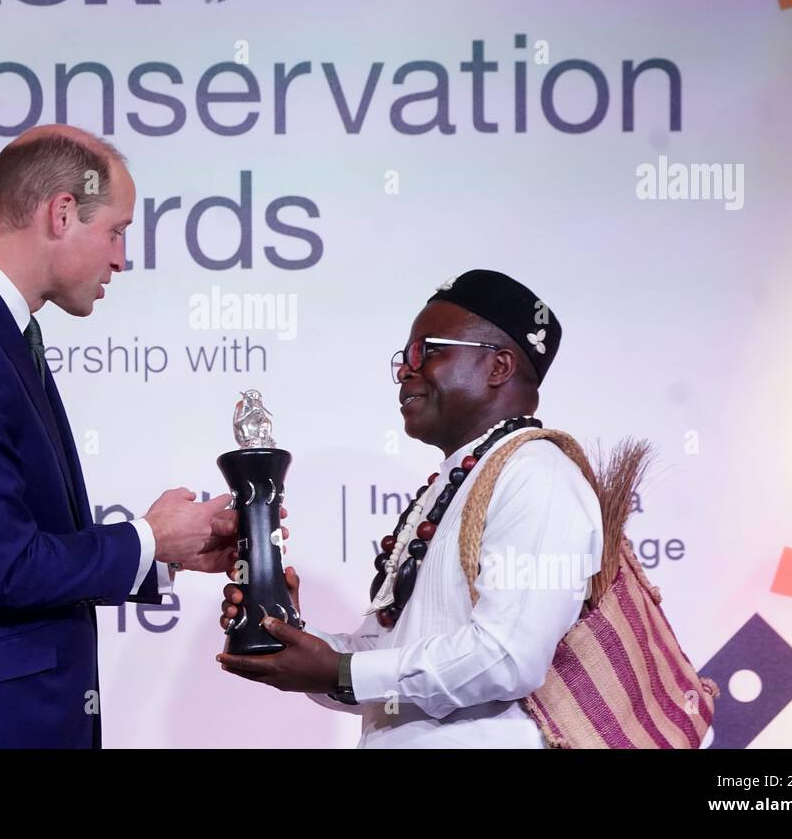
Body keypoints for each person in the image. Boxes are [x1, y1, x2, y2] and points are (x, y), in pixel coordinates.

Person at [0, 124, 237, 748]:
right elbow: (7, 568)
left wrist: (165, 553)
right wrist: (148, 536)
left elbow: (26, 547)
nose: (122, 257)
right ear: (62, 213)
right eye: (117, 230)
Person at [217, 270, 603, 748]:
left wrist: (341, 669)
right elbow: (386, 671)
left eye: (428, 350)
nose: (405, 370)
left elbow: (507, 657)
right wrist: (286, 632)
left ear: (498, 366)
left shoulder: (537, 475)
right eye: (405, 356)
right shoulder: (457, 481)